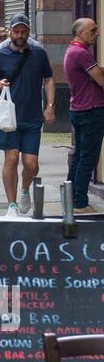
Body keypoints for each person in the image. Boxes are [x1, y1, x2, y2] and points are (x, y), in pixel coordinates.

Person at [0, 13, 55, 218]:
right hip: (8, 118)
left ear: (28, 31)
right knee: (11, 158)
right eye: (16, 31)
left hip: (32, 116)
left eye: (23, 31)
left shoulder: (38, 53)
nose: (19, 35)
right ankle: (11, 205)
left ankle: (25, 189)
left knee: (31, 164)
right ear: (9, 32)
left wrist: (50, 105)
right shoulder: (0, 56)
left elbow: (49, 79)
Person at [64, 18, 104, 215]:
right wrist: (98, 73)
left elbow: (96, 74)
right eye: (92, 30)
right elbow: (101, 79)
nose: (96, 33)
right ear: (80, 33)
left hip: (78, 110)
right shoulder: (82, 53)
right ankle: (80, 203)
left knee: (79, 155)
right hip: (91, 110)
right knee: (88, 158)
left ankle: (71, 199)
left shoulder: (72, 51)